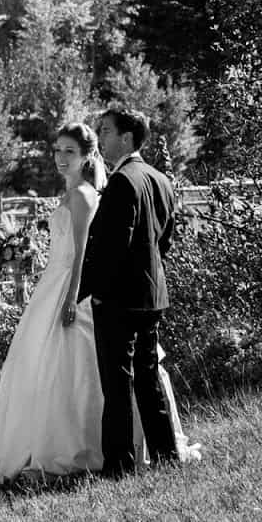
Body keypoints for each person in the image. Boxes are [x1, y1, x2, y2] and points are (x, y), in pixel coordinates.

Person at [0, 123, 107, 481]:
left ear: (87, 156)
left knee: (70, 366)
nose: (61, 158)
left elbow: (81, 253)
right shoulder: (67, 194)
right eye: (57, 150)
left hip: (70, 285)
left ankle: (72, 448)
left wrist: (70, 299)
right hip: (51, 282)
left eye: (70, 152)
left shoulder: (82, 194)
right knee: (31, 363)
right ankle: (36, 442)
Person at [79, 106, 180, 476]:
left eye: (105, 131)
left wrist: (97, 293)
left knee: (118, 384)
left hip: (119, 299)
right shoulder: (159, 179)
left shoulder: (123, 181)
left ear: (126, 137)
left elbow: (111, 248)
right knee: (148, 378)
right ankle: (167, 455)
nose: (100, 138)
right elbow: (164, 241)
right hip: (152, 296)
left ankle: (119, 465)